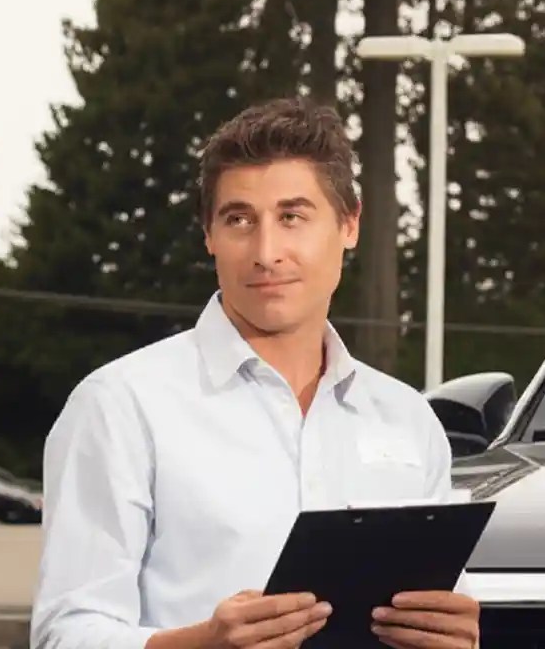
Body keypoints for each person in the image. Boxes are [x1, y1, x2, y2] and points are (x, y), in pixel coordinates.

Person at [31, 97, 480, 649]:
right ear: (209, 235)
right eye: (240, 219)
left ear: (349, 224)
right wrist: (200, 645)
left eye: (292, 217)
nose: (267, 252)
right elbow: (65, 634)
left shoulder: (409, 419)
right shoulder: (119, 406)